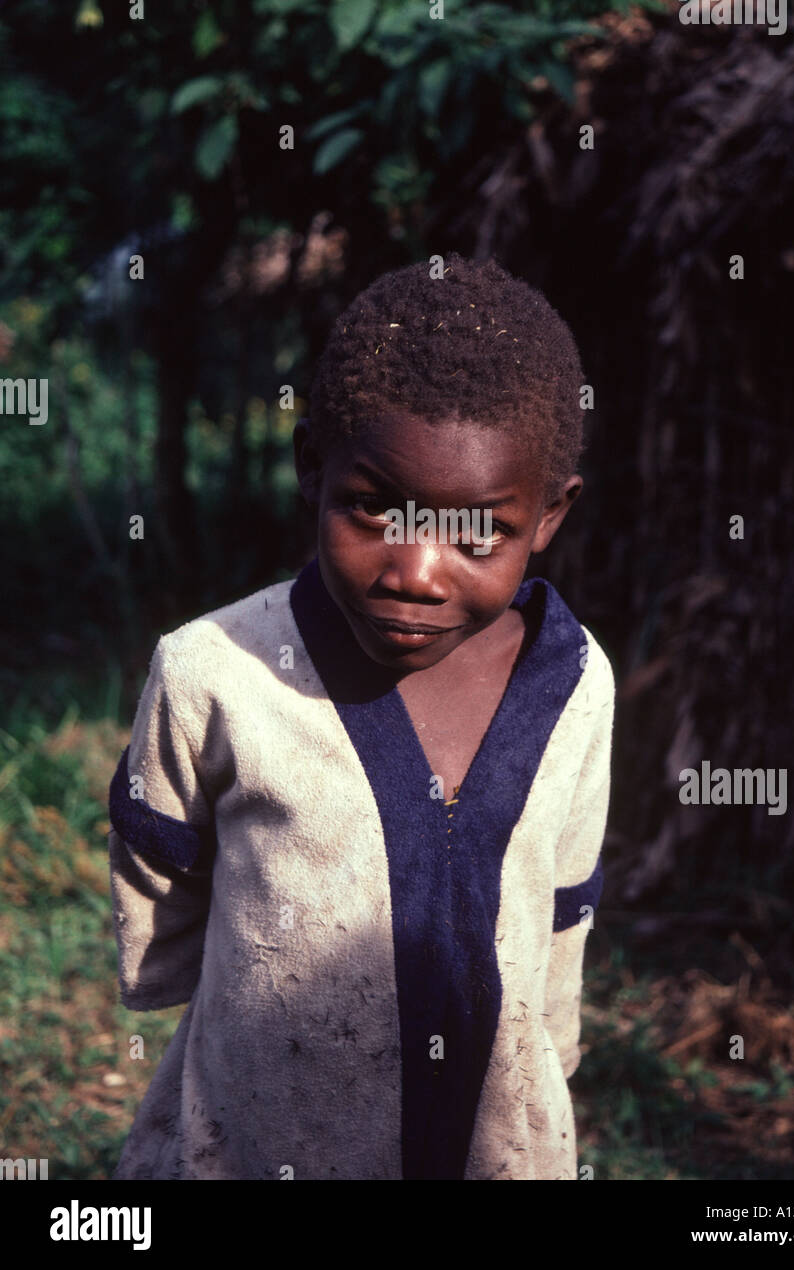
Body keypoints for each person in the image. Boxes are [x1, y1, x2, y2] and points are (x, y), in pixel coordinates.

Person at [108, 251, 615, 1180]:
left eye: (477, 531)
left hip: (497, 1143)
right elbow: (158, 860)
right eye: (375, 509)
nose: (416, 571)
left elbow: (563, 906)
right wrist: (178, 991)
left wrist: (556, 1047)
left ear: (548, 515)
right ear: (314, 470)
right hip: (269, 1126)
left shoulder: (577, 681)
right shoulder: (215, 672)